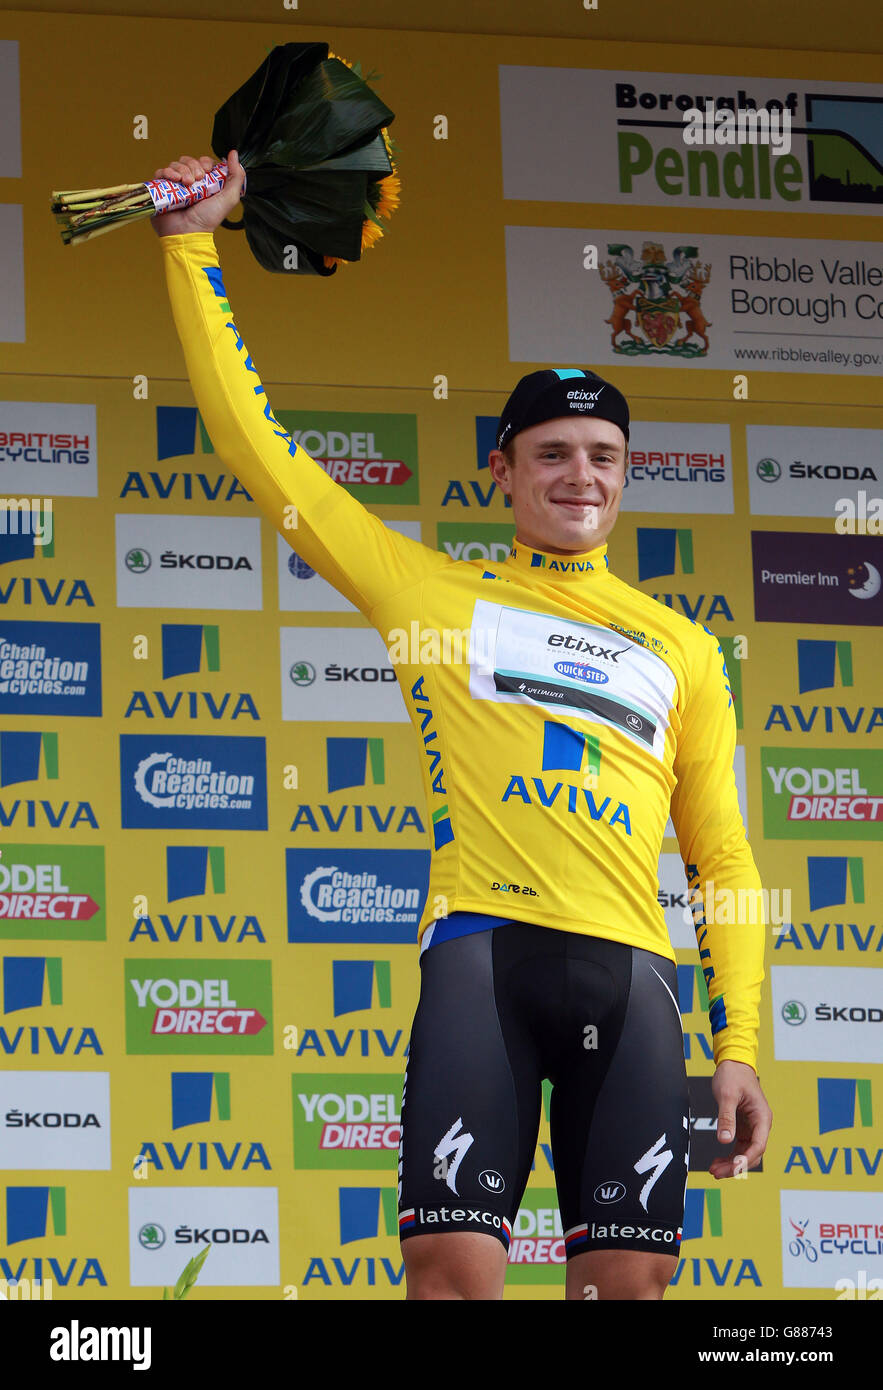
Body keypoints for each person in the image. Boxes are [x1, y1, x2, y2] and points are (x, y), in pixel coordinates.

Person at [152, 149, 772, 1301]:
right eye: (551, 453)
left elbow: (723, 856)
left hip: (635, 981)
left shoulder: (684, 646)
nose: (579, 475)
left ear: (627, 476)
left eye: (603, 457)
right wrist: (192, 246)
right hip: (483, 956)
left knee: (628, 1291)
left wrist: (737, 1050)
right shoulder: (434, 595)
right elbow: (259, 451)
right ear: (503, 471)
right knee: (449, 1278)